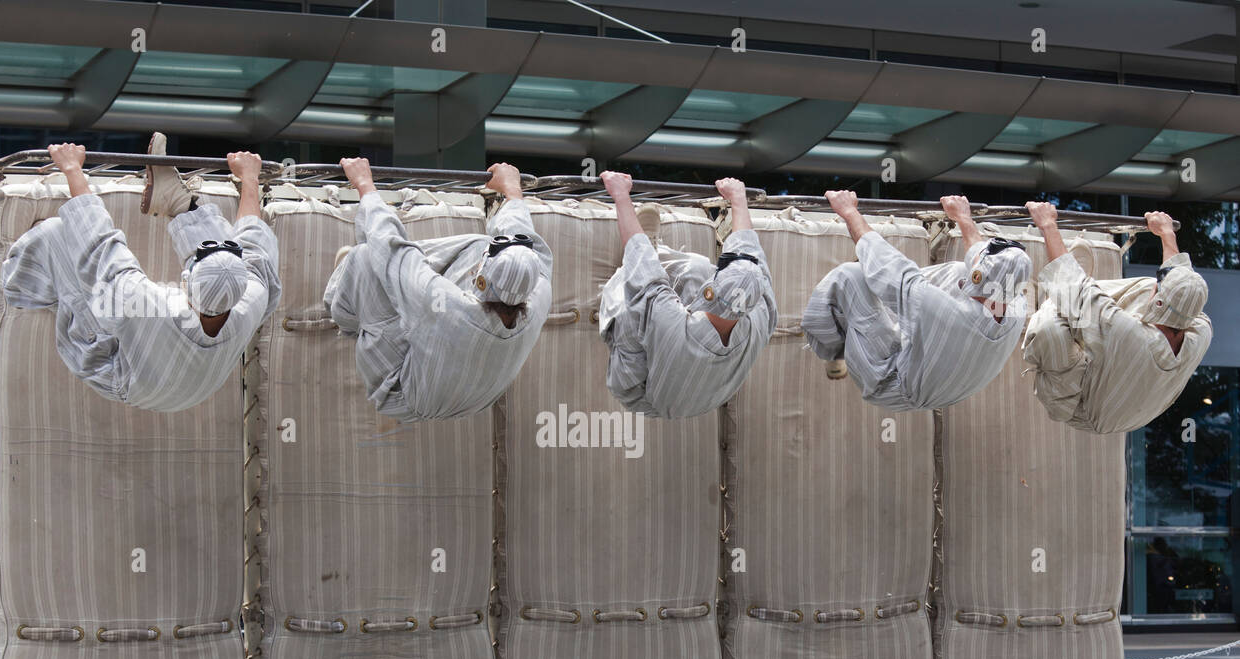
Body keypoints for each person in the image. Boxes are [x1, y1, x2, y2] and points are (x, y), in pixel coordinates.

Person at [2, 134, 280, 413]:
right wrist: (249, 179)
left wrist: (72, 168)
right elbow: (253, 242)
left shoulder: (145, 303)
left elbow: (99, 245)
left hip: (125, 378)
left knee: (57, 235)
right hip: (196, 385)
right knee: (227, 265)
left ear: (185, 281)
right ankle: (177, 202)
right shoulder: (251, 298)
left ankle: (23, 286)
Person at [324, 157, 552, 422]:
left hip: (404, 395)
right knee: (480, 245)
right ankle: (403, 287)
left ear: (480, 282)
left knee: (366, 258)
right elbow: (528, 245)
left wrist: (364, 185)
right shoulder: (540, 294)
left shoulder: (444, 307)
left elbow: (392, 251)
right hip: (478, 396)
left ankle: (345, 298)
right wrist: (512, 190)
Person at [802, 191, 1033, 410]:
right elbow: (980, 265)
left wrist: (848, 211)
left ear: (978, 276)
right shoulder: (1016, 304)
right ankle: (894, 303)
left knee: (849, 276)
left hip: (891, 384)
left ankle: (833, 352)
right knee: (955, 272)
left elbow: (887, 265)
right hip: (948, 384)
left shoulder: (943, 312)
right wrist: (963, 217)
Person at [596, 171, 776, 418]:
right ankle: (654, 253)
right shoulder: (761, 317)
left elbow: (641, 265)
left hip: (644, 396)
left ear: (710, 292)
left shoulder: (668, 322)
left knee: (632, 304)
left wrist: (620, 194)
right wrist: (738, 199)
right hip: (708, 396)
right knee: (698, 268)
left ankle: (635, 264)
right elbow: (749, 249)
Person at [1022, 202, 1212, 433]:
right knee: (1147, 287)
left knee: (1052, 322)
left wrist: (1047, 224)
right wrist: (1166, 233)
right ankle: (1088, 310)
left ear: (1159, 302)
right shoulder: (1202, 329)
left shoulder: (1126, 334)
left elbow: (1071, 287)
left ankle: (1069, 307)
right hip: (1134, 401)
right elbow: (1183, 287)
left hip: (1083, 408)